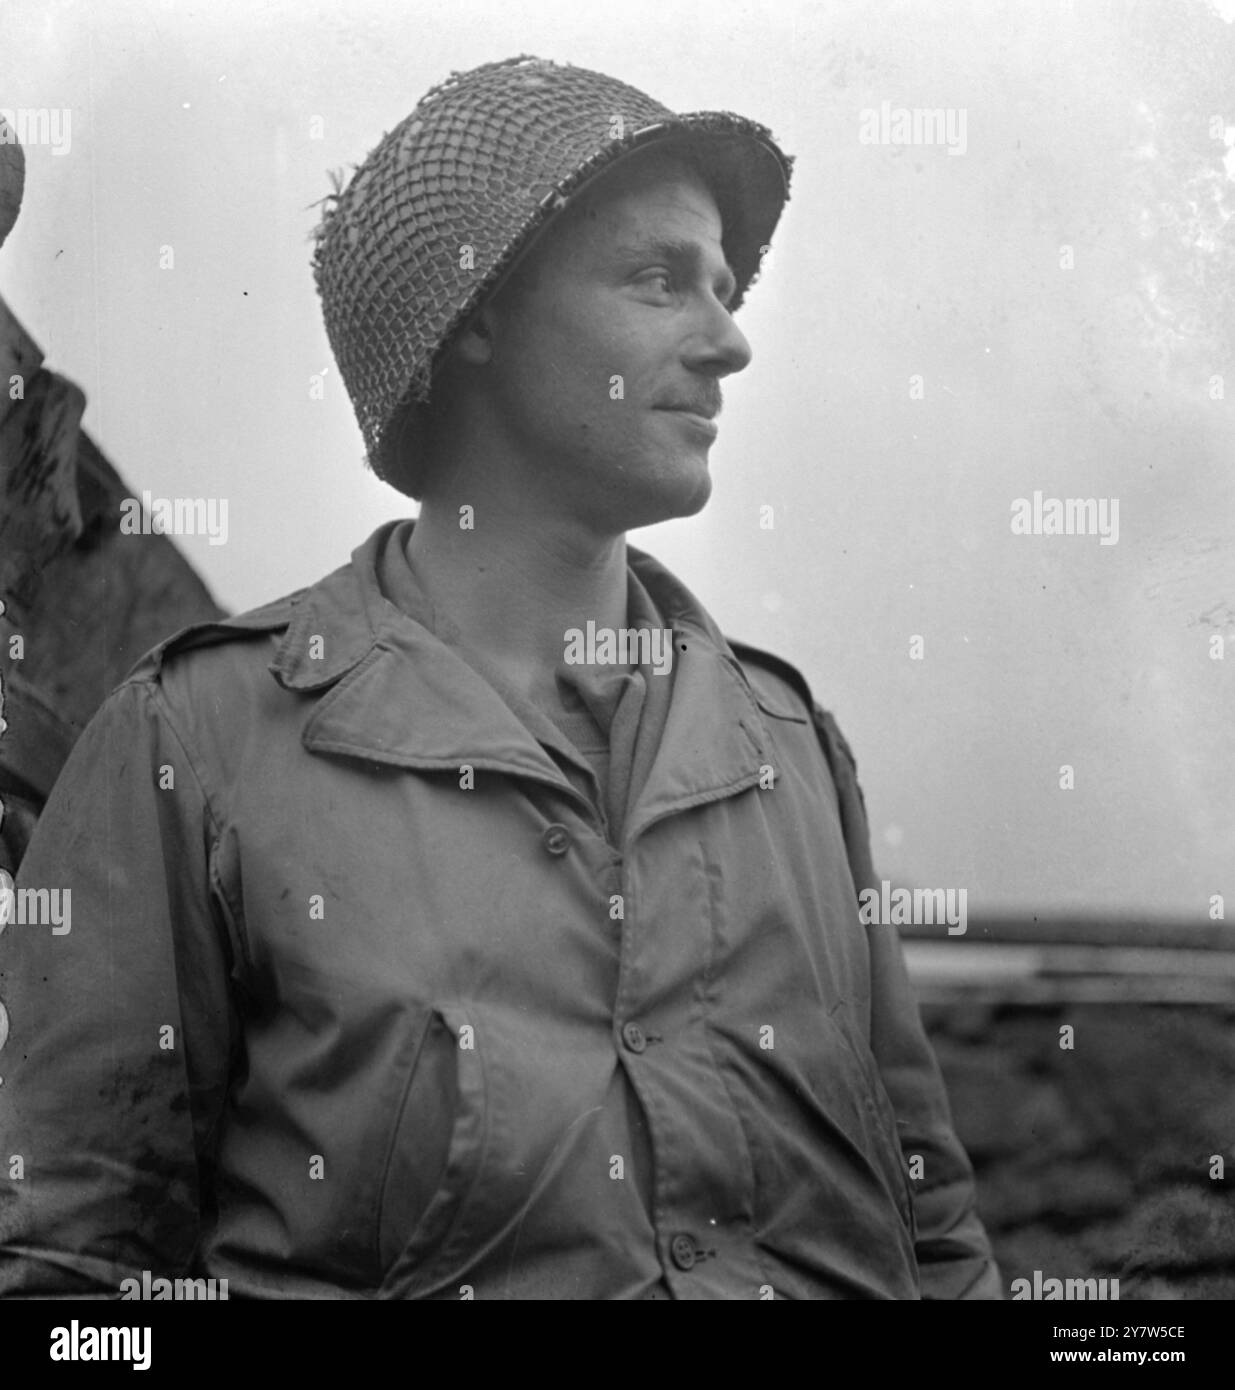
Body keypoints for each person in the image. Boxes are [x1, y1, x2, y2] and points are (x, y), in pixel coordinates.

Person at [0, 56, 1001, 1300]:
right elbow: (67, 1278)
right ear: (473, 314)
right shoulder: (193, 744)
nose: (728, 340)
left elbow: (935, 1239)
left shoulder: (788, 749)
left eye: (726, 290)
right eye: (657, 280)